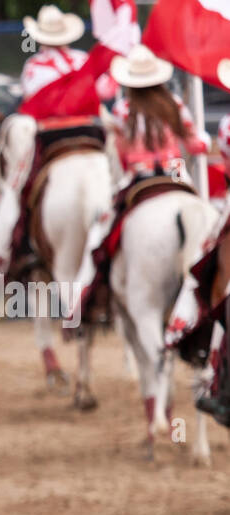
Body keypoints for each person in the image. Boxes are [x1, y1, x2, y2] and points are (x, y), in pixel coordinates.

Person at [0, 3, 133, 279]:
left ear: (41, 37)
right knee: (117, 149)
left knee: (17, 186)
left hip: (49, 135)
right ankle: (123, 188)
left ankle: (2, 255)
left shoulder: (33, 66)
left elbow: (32, 101)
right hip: (90, 131)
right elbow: (102, 90)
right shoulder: (82, 60)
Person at [69, 45, 208, 327]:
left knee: (100, 229)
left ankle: (81, 296)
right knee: (207, 222)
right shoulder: (175, 105)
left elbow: (120, 155)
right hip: (178, 173)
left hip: (139, 177)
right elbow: (198, 144)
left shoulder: (122, 110)